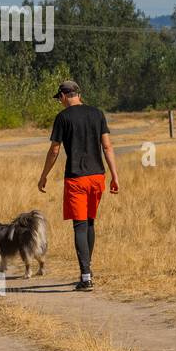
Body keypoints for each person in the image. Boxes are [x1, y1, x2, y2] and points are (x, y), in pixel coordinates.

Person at [38, 80, 120, 292]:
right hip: (97, 177)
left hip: (76, 178)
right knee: (90, 223)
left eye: (59, 99)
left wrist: (44, 175)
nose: (60, 103)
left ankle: (85, 277)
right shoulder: (97, 113)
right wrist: (115, 176)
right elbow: (107, 146)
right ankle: (88, 270)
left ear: (64, 95)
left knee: (80, 226)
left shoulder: (63, 118)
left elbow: (54, 150)